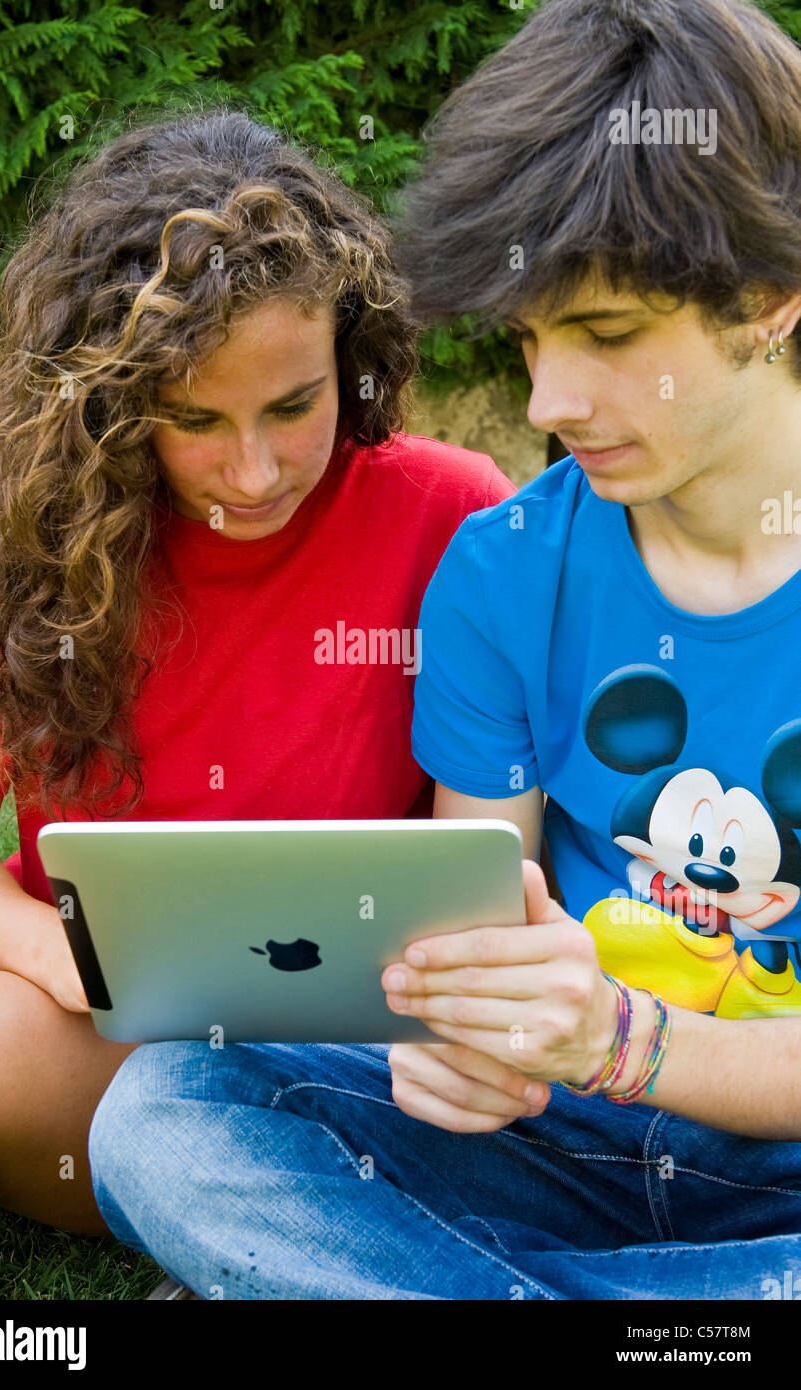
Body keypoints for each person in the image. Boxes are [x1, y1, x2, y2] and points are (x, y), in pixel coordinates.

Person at [88, 0, 801, 1301]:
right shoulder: (503, 568)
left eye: (607, 336)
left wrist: (631, 1040)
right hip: (560, 1138)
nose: (545, 402)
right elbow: (483, 916)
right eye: (527, 339)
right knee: (165, 1111)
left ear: (766, 300)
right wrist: (464, 1038)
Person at [0, 106, 515, 1280]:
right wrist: (48, 950)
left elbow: (494, 855)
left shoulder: (453, 511)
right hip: (91, 1038)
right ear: (108, 400)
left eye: (293, 406)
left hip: (364, 1063)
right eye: (193, 419)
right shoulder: (10, 532)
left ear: (349, 357)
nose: (252, 472)